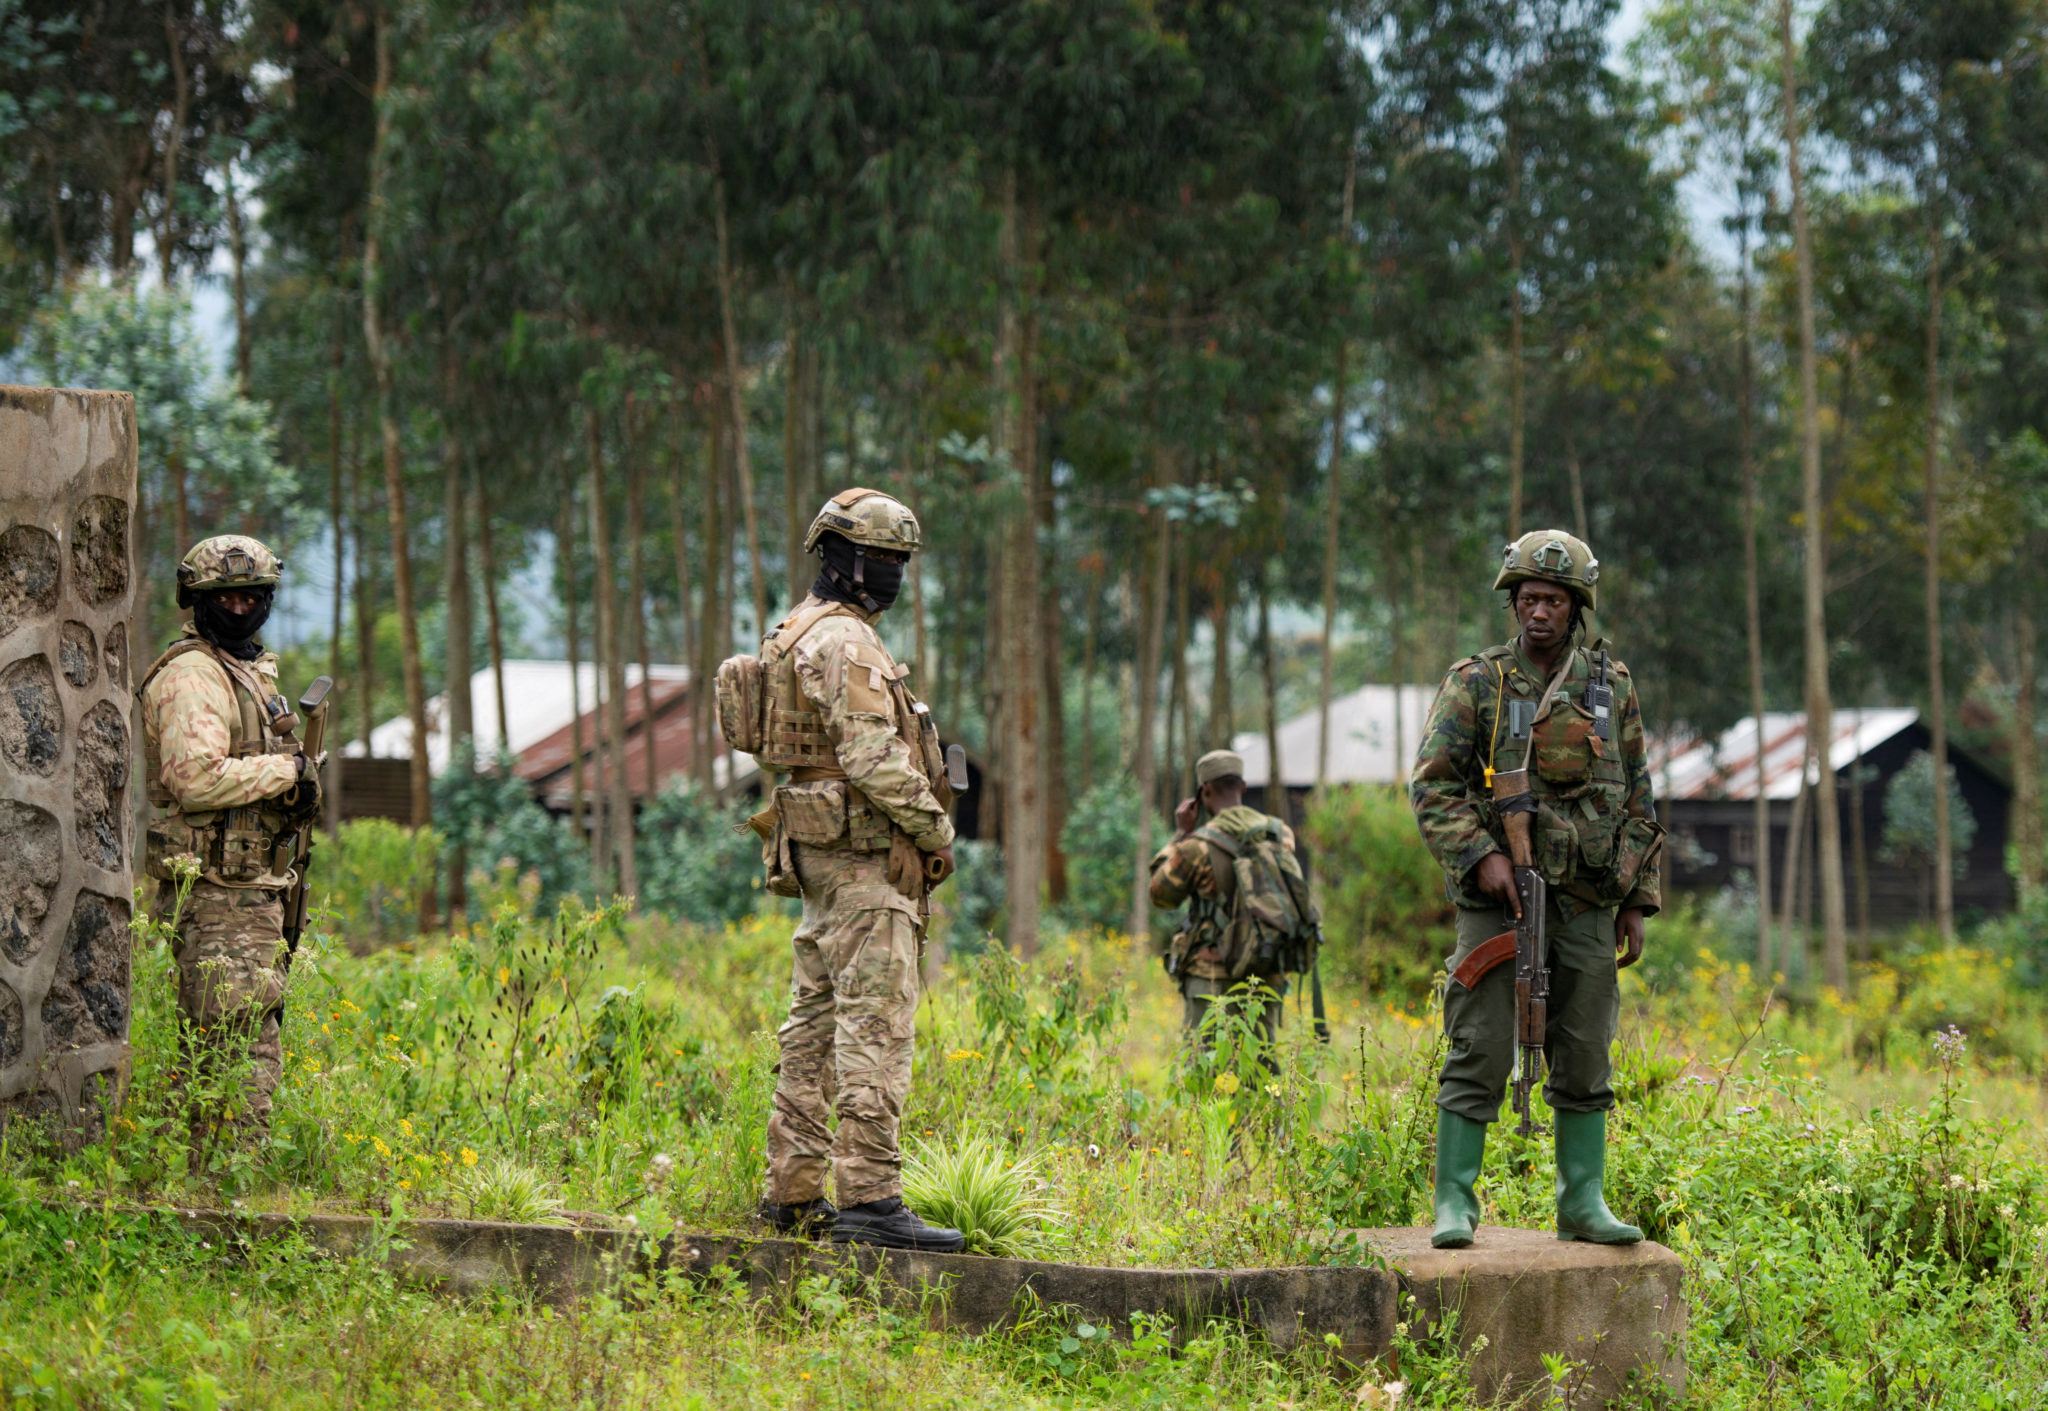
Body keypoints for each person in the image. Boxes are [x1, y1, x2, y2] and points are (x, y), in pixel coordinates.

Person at [1410, 530, 1665, 1249]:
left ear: (1575, 605)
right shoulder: (1477, 682)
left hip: (1587, 900)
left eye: (1552, 600)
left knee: (1585, 1053)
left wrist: (1638, 899)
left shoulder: (1612, 687)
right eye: (1528, 599)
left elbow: (1641, 795)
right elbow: (1432, 785)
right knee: (1479, 1046)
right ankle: (1455, 1204)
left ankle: (1582, 1203)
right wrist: (1481, 856)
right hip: (1497, 902)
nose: (1539, 613)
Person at [750, 488, 965, 1251]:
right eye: (882, 559)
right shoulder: (846, 642)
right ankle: (871, 1200)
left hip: (823, 859)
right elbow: (872, 756)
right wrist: (936, 828)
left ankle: (793, 1192)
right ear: (839, 558)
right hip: (867, 864)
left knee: (810, 1028)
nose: (893, 575)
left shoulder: (794, 632)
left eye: (901, 562)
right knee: (872, 1027)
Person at [138, 535, 322, 1146]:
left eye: (253, 594)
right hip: (216, 895)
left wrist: (295, 787)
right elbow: (193, 779)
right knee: (238, 1053)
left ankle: (214, 1188)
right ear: (195, 599)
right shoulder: (195, 675)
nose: (240, 606)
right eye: (225, 596)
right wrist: (288, 772)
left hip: (246, 890)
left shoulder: (244, 669)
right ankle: (226, 1199)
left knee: (237, 1045)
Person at [1149, 749, 1299, 1057]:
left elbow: (1160, 895)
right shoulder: (1279, 833)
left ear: (1204, 791)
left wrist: (1179, 834)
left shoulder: (1195, 847)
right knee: (1259, 1066)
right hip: (1265, 967)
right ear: (1242, 787)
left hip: (1211, 973)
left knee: (1204, 1069)